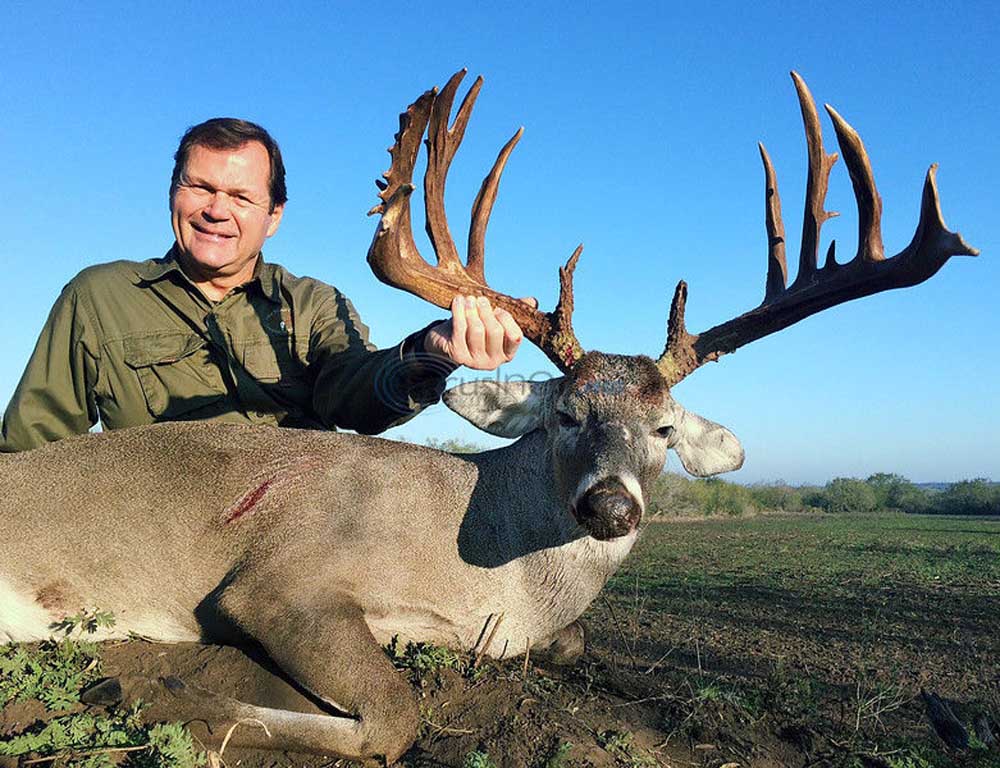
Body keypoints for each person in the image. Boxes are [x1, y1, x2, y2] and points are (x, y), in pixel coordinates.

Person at [0, 118, 527, 452]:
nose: (215, 210)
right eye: (199, 187)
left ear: (274, 215)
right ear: (172, 193)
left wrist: (432, 353)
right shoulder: (98, 298)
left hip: (296, 532)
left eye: (240, 196)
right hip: (158, 542)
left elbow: (357, 399)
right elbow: (31, 449)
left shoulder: (314, 304)